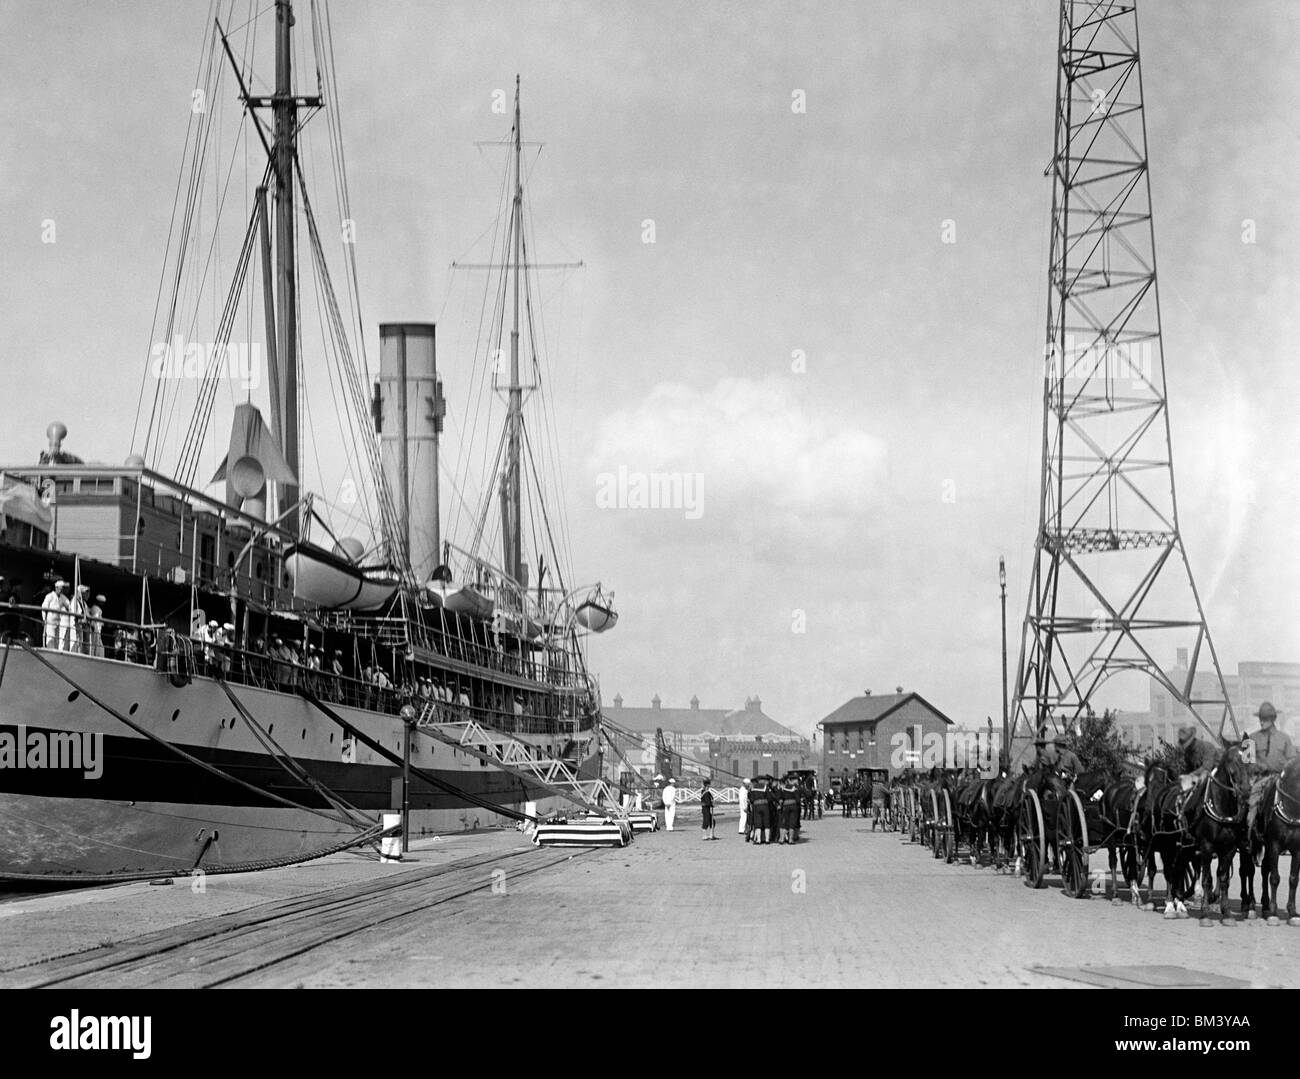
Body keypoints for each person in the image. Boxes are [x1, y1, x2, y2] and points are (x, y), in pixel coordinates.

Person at [1245, 702, 1296, 840]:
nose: (1261, 722)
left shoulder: (1285, 738)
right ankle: (1248, 835)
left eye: (1265, 719)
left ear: (1273, 720)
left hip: (1281, 778)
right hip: (1260, 779)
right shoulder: (1251, 738)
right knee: (1252, 802)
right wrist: (1259, 766)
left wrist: (1284, 767)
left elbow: (1292, 759)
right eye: (1260, 718)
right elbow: (1246, 762)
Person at [1176, 721, 1220, 792]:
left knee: (1204, 775)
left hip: (1216, 776)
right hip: (1198, 779)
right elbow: (1189, 769)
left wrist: (1191, 775)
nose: (1187, 748)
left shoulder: (1207, 747)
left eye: (1188, 745)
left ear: (1193, 741)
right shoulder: (1188, 753)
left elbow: (1206, 767)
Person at [41, 579, 68, 649]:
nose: (61, 590)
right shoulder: (49, 596)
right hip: (50, 622)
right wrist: (44, 619)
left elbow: (68, 605)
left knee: (57, 640)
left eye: (62, 589)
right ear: (56, 588)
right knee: (50, 638)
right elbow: (44, 608)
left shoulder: (63, 597)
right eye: (60, 589)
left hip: (58, 622)